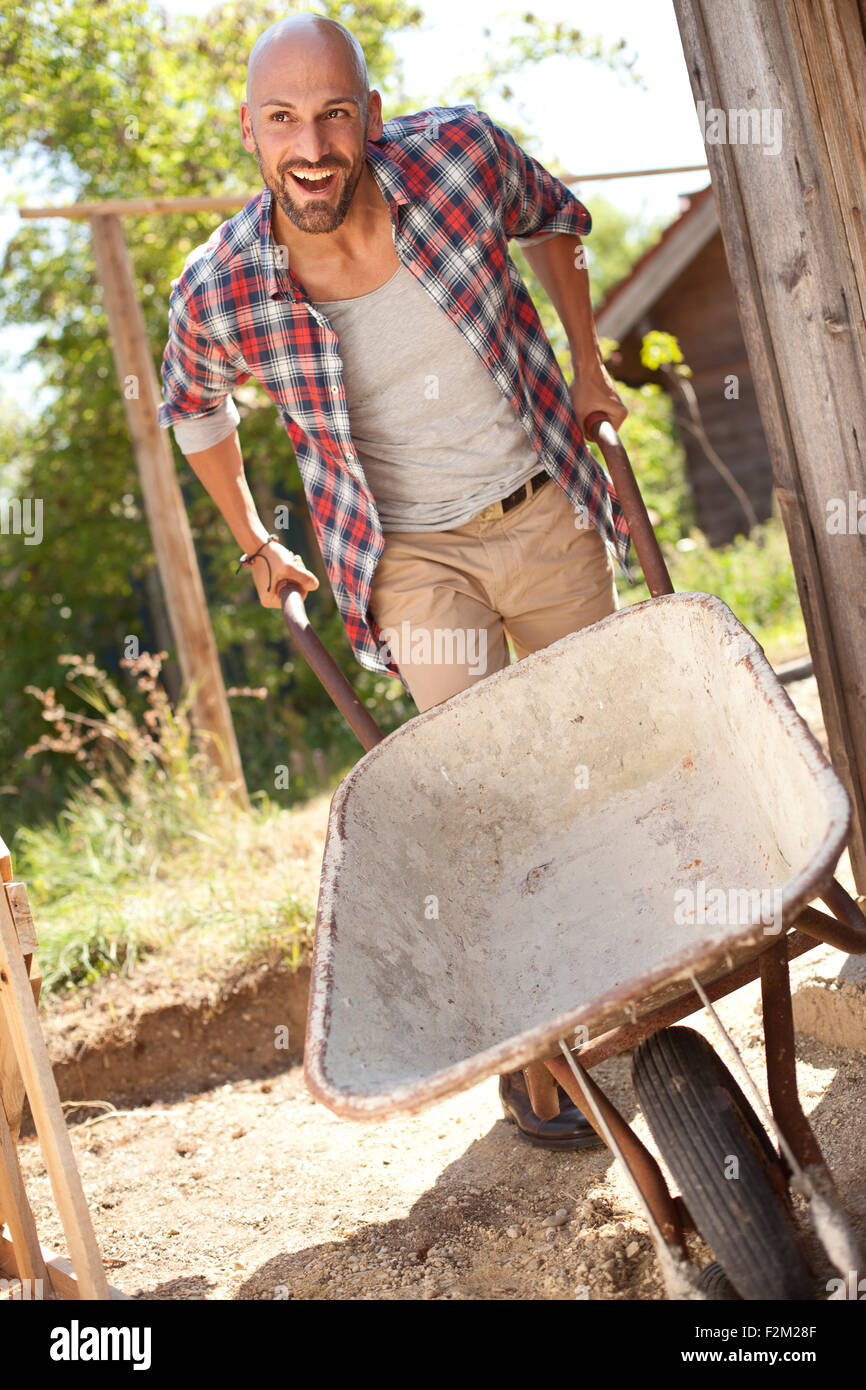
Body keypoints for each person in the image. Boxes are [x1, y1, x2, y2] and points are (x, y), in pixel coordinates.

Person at [158, 13, 632, 1150]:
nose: (309, 145)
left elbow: (555, 218)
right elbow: (192, 408)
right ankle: (541, 1053)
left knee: (595, 763)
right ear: (248, 132)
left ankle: (632, 990)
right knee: (486, 799)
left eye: (332, 114)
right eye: (282, 120)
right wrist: (254, 539)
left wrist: (584, 358)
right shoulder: (222, 286)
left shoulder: (460, 158)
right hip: (411, 562)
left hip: (540, 506)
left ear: (370, 117)